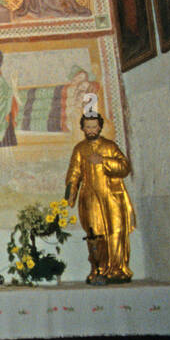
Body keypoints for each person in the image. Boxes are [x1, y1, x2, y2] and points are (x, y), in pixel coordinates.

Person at [64, 113, 135, 284]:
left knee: (116, 231)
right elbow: (74, 173)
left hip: (112, 196)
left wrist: (103, 160)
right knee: (96, 233)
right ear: (83, 128)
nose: (91, 130)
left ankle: (118, 269)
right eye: (87, 127)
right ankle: (99, 269)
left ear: (100, 127)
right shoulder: (80, 149)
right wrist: (69, 193)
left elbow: (124, 167)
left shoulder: (109, 146)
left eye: (94, 127)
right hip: (91, 197)